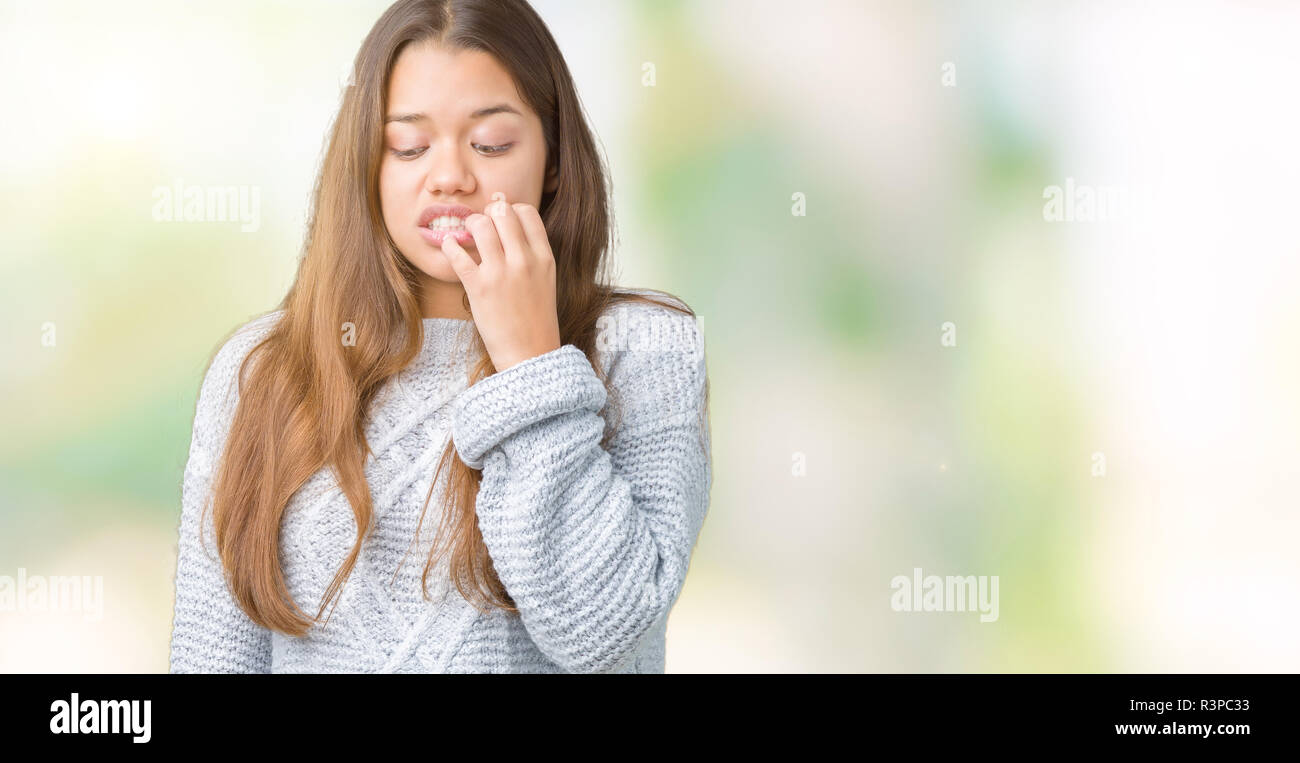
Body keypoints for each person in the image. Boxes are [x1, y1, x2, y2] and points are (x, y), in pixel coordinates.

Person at [167, 0, 711, 674]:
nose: (450, 176)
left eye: (491, 144)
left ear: (552, 161)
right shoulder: (262, 369)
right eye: (409, 146)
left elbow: (605, 634)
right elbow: (212, 655)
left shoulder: (646, 351)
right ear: (368, 165)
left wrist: (531, 362)